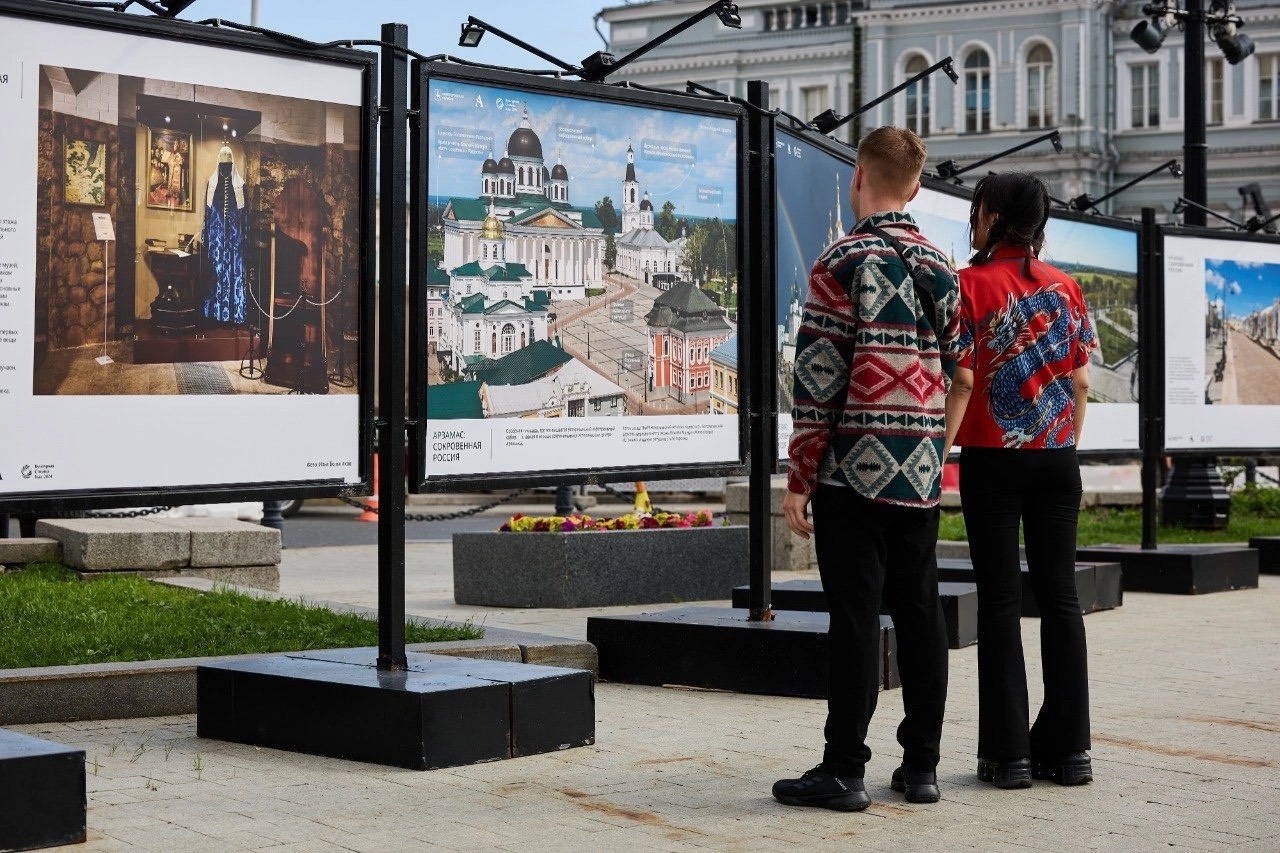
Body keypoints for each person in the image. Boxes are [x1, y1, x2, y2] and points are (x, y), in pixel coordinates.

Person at [773, 126, 962, 811]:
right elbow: (959, 366)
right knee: (920, 614)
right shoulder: (942, 265)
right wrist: (935, 447)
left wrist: (801, 474)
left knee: (854, 616)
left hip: (852, 473)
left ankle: (844, 769)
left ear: (859, 177)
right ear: (914, 186)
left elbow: (818, 377)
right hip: (917, 473)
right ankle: (922, 768)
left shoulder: (839, 261)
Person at [942, 171, 1095, 789]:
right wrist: (1063, 444)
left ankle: (1008, 757)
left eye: (978, 209)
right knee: (1062, 601)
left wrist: (937, 453)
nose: (973, 219)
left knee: (1001, 604)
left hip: (993, 461)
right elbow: (1082, 383)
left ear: (995, 217)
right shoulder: (1066, 287)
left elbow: (965, 380)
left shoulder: (968, 286)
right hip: (1058, 458)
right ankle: (1071, 749)